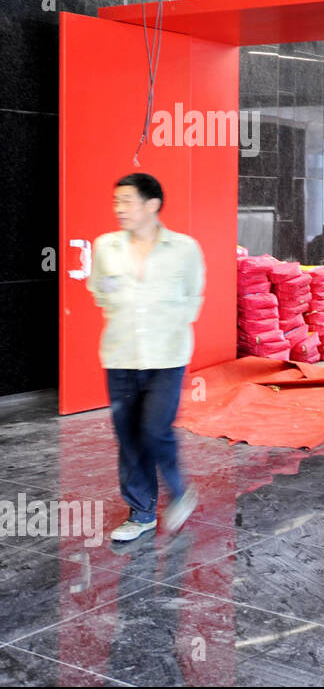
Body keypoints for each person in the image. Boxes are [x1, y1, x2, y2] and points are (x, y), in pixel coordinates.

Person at [87, 173, 205, 542]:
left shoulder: (184, 248)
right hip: (120, 356)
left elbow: (192, 298)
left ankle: (179, 491)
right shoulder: (106, 246)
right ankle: (140, 514)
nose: (118, 208)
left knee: (155, 430)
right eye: (115, 201)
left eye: (126, 201)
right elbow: (100, 290)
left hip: (167, 357)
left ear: (152, 205)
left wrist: (165, 325)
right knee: (128, 437)